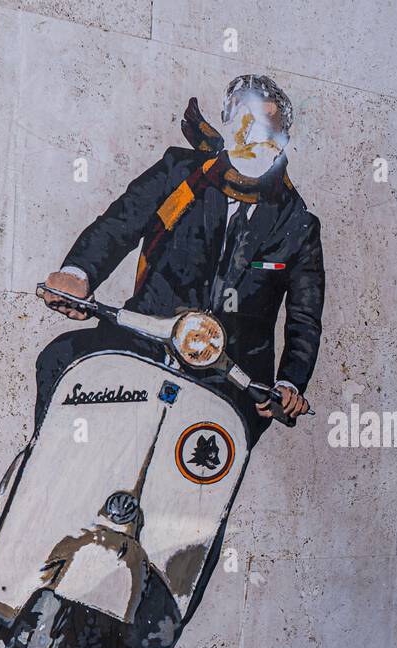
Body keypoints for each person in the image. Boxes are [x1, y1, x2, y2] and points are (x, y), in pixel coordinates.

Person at [36, 74, 324, 438]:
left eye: (267, 127)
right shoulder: (180, 174)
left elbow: (304, 318)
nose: (254, 137)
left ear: (284, 139)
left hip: (233, 382)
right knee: (61, 360)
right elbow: (119, 222)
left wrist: (289, 384)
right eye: (244, 122)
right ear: (227, 122)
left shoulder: (298, 224)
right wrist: (77, 273)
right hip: (143, 345)